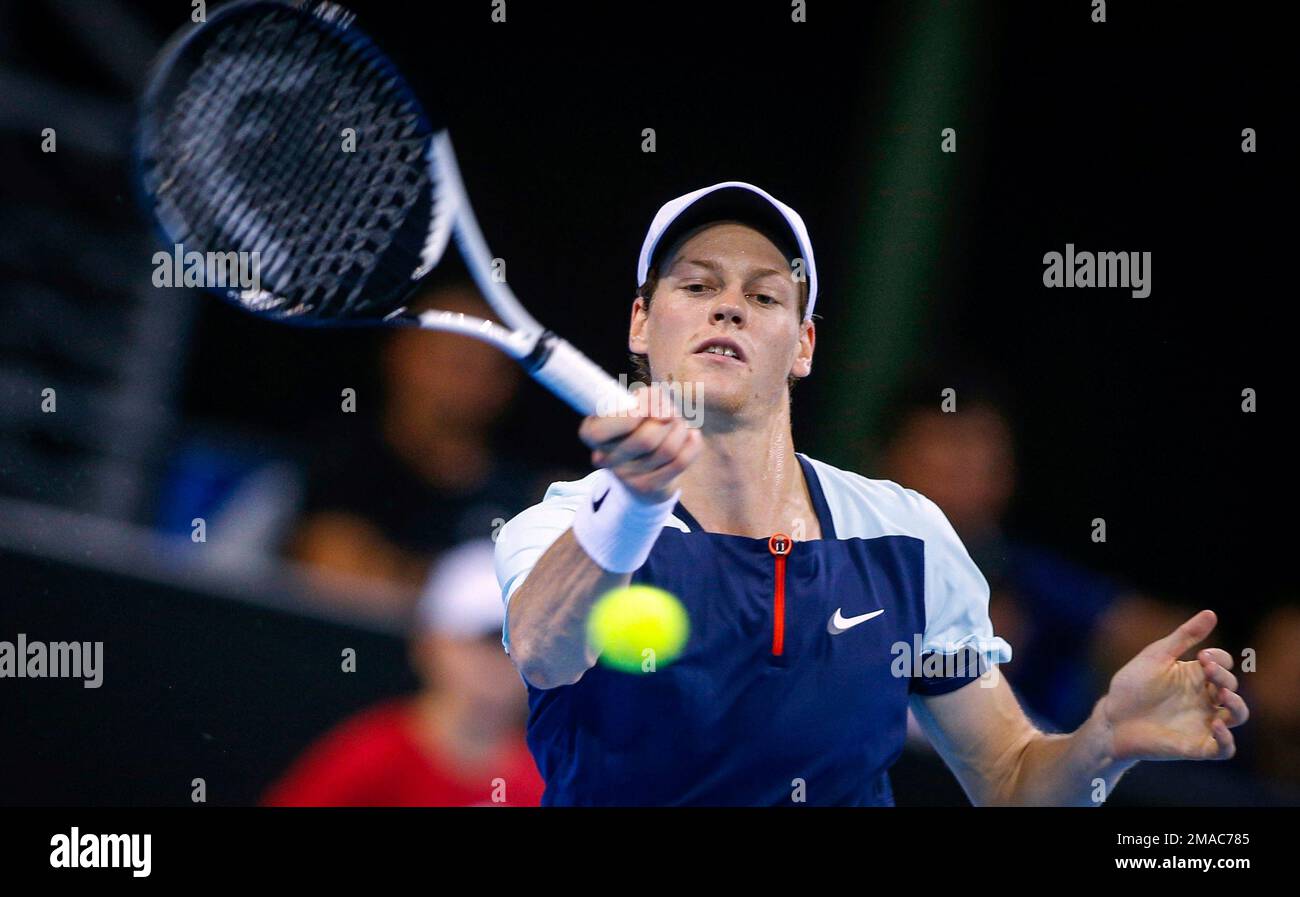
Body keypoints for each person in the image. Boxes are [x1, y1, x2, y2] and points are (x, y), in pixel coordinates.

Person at [493, 182, 1249, 806]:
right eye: (696, 285)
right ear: (640, 321)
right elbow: (546, 652)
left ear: (805, 345)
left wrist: (1103, 738)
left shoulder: (905, 533)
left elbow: (1012, 779)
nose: (728, 307)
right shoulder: (562, 524)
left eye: (764, 296)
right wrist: (633, 500)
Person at [876, 380, 1191, 731]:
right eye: (947, 461)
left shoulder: (1030, 578)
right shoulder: (838, 556)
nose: (963, 476)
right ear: (889, 460)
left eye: (978, 464)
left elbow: (1169, 640)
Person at [287, 281, 536, 601]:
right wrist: (475, 589)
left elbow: (541, 606)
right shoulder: (344, 460)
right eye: (457, 362)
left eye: (493, 367)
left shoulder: (528, 493)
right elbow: (334, 573)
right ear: (399, 355)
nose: (475, 382)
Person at [264, 540, 545, 806]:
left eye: (518, 648)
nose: (500, 664)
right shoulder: (370, 757)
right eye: (485, 643)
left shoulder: (550, 778)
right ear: (430, 644)